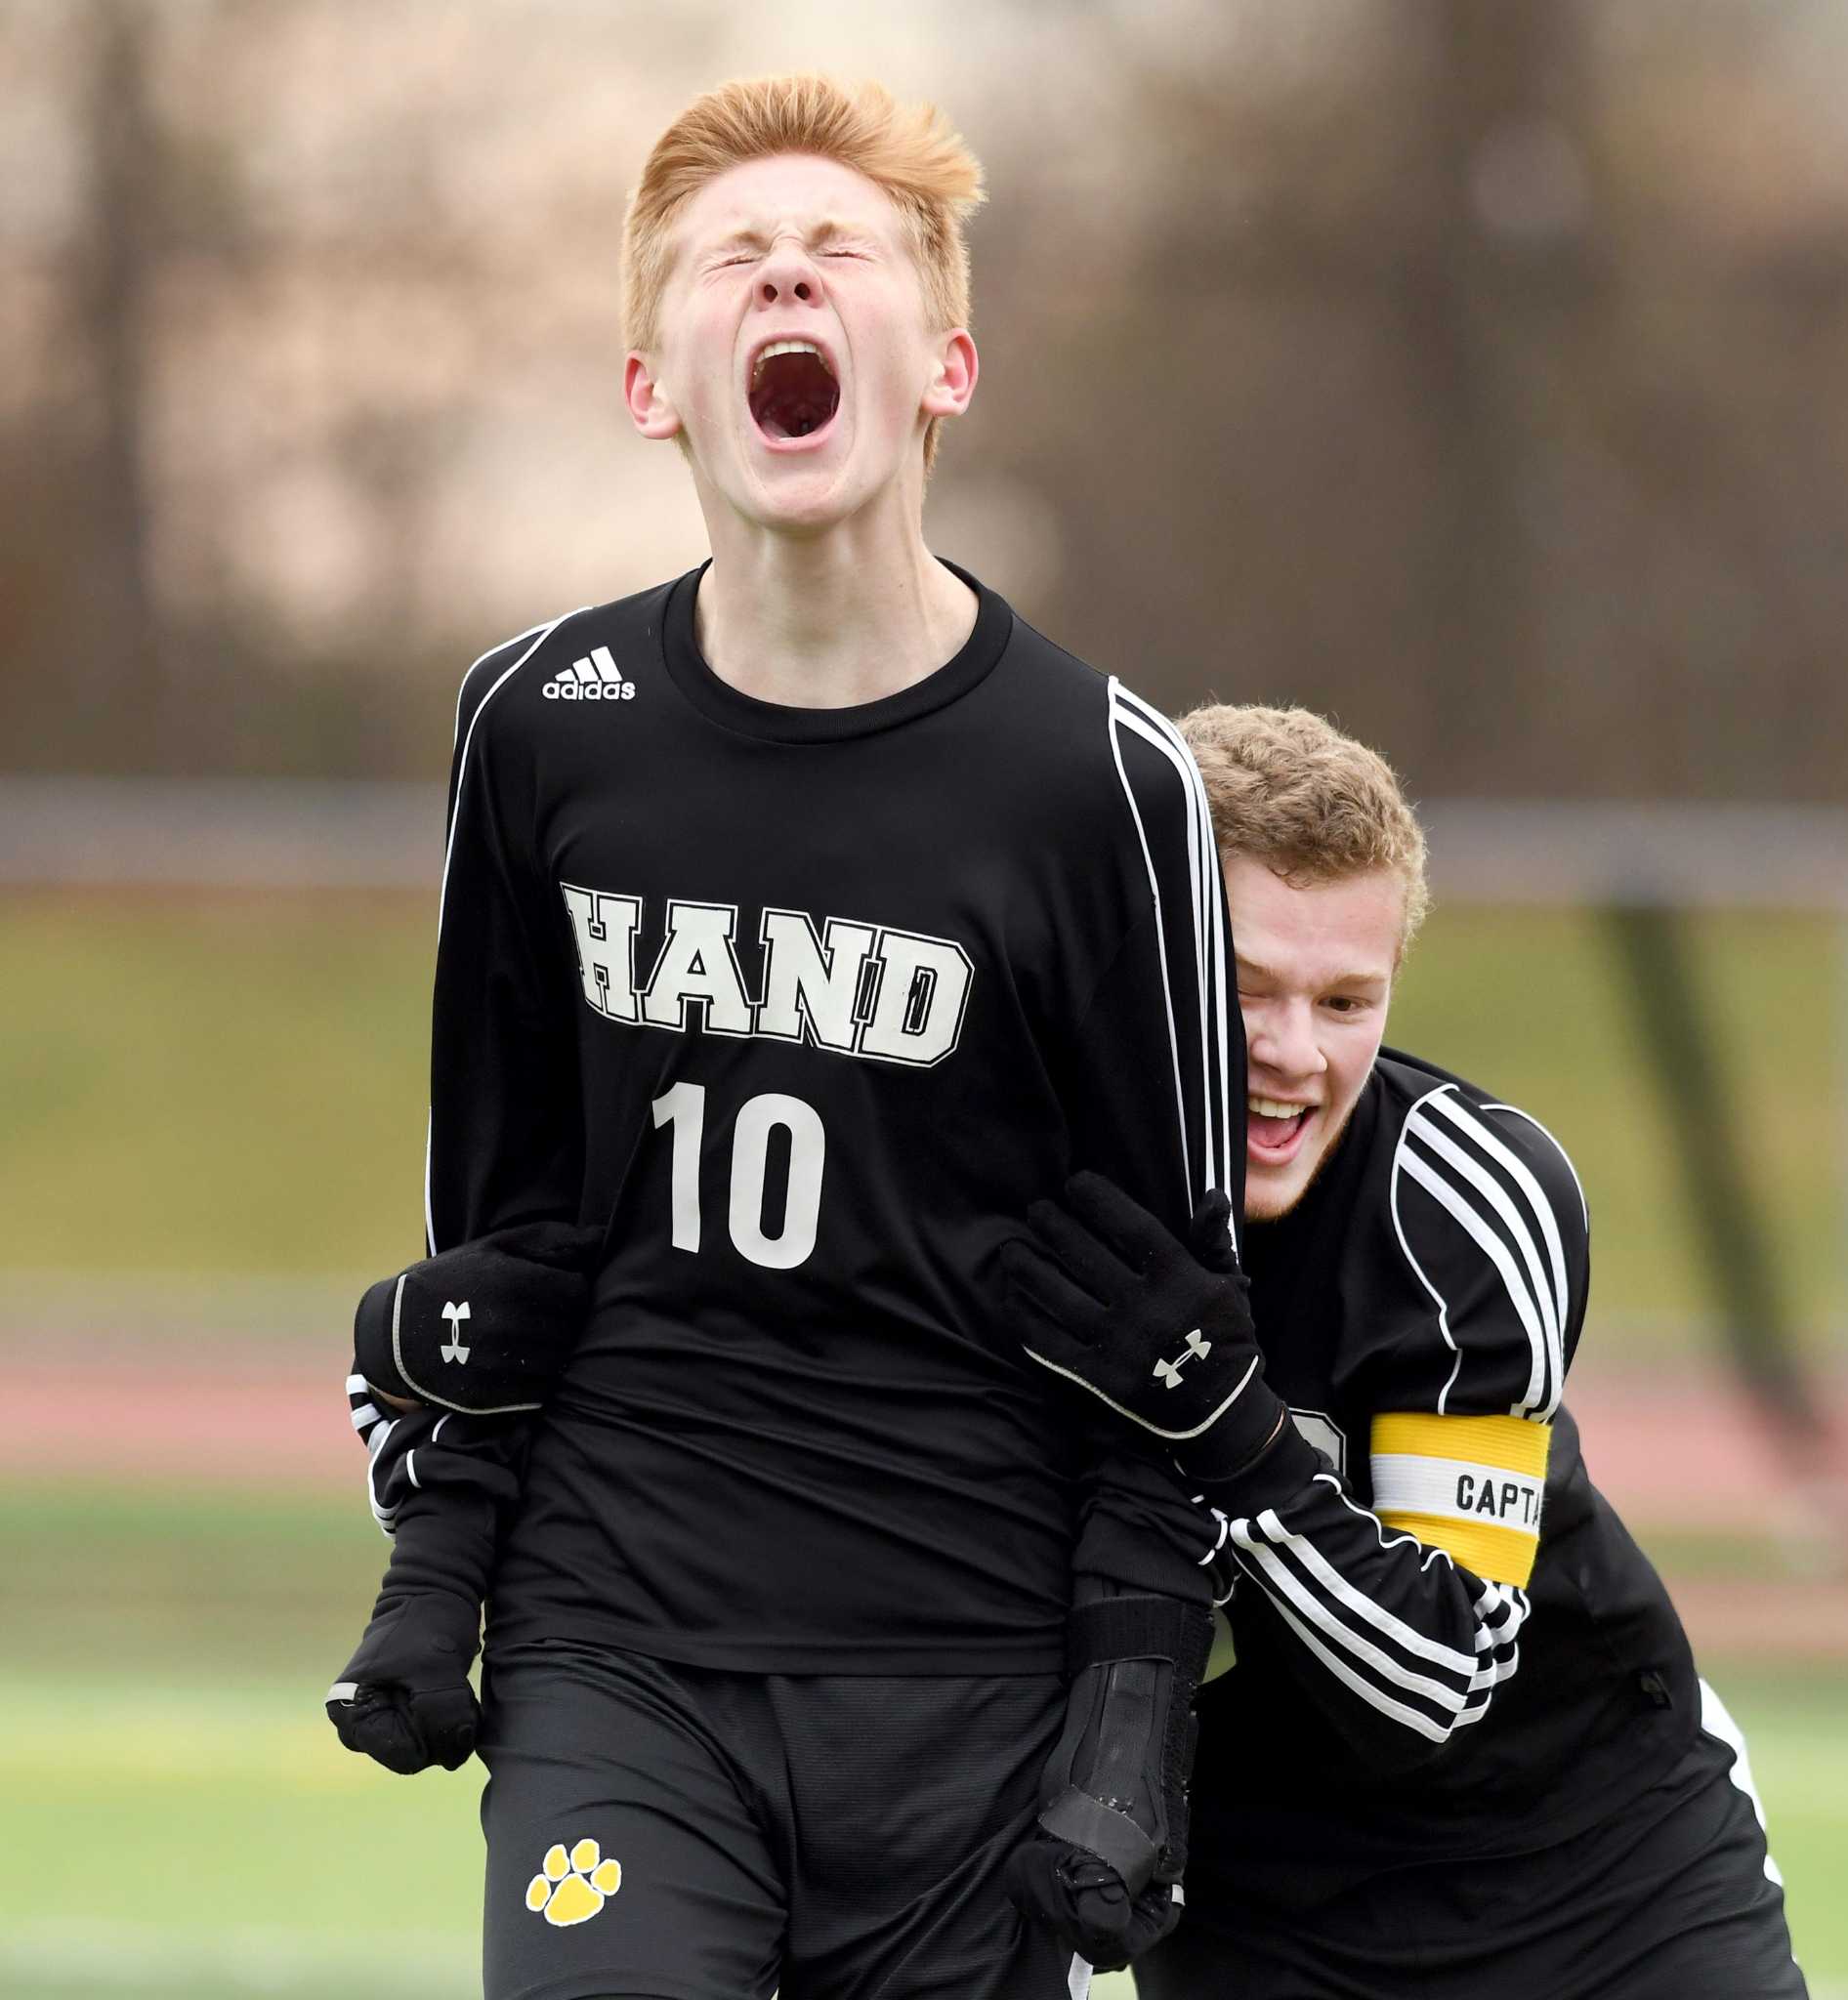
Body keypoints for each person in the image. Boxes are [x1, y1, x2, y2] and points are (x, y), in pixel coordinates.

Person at [325, 75, 1242, 2000]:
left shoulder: (1101, 779)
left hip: (965, 1673)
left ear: (948, 365)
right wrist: (441, 1557)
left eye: (842, 252)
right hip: (619, 1637)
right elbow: (497, 1240)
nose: (785, 281)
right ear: (651, 384)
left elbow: (1174, 1318)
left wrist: (1132, 1701)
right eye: (731, 258)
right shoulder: (540, 726)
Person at [1001, 703, 1808, 2000]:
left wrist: (1218, 1416)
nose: (1293, 1054)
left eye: (1345, 1001)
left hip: (1600, 1876)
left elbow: (1434, 1683)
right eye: (1244, 989)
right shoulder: (1010, 1186)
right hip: (1256, 1911)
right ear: (1139, 953)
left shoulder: (1463, 1204)